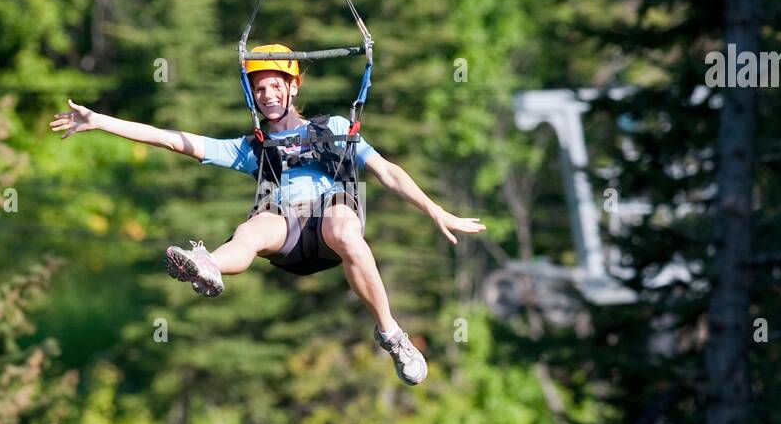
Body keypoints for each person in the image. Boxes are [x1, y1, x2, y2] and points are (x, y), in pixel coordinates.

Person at [49, 44, 485, 385]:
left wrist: (434, 210)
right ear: (252, 95)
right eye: (259, 88)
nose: (267, 94)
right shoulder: (250, 147)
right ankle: (207, 264)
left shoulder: (333, 127)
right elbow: (171, 139)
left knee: (343, 224)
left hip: (334, 218)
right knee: (255, 225)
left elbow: (387, 171)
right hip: (288, 231)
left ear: (293, 88)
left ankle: (391, 334)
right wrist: (101, 120)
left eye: (276, 85)